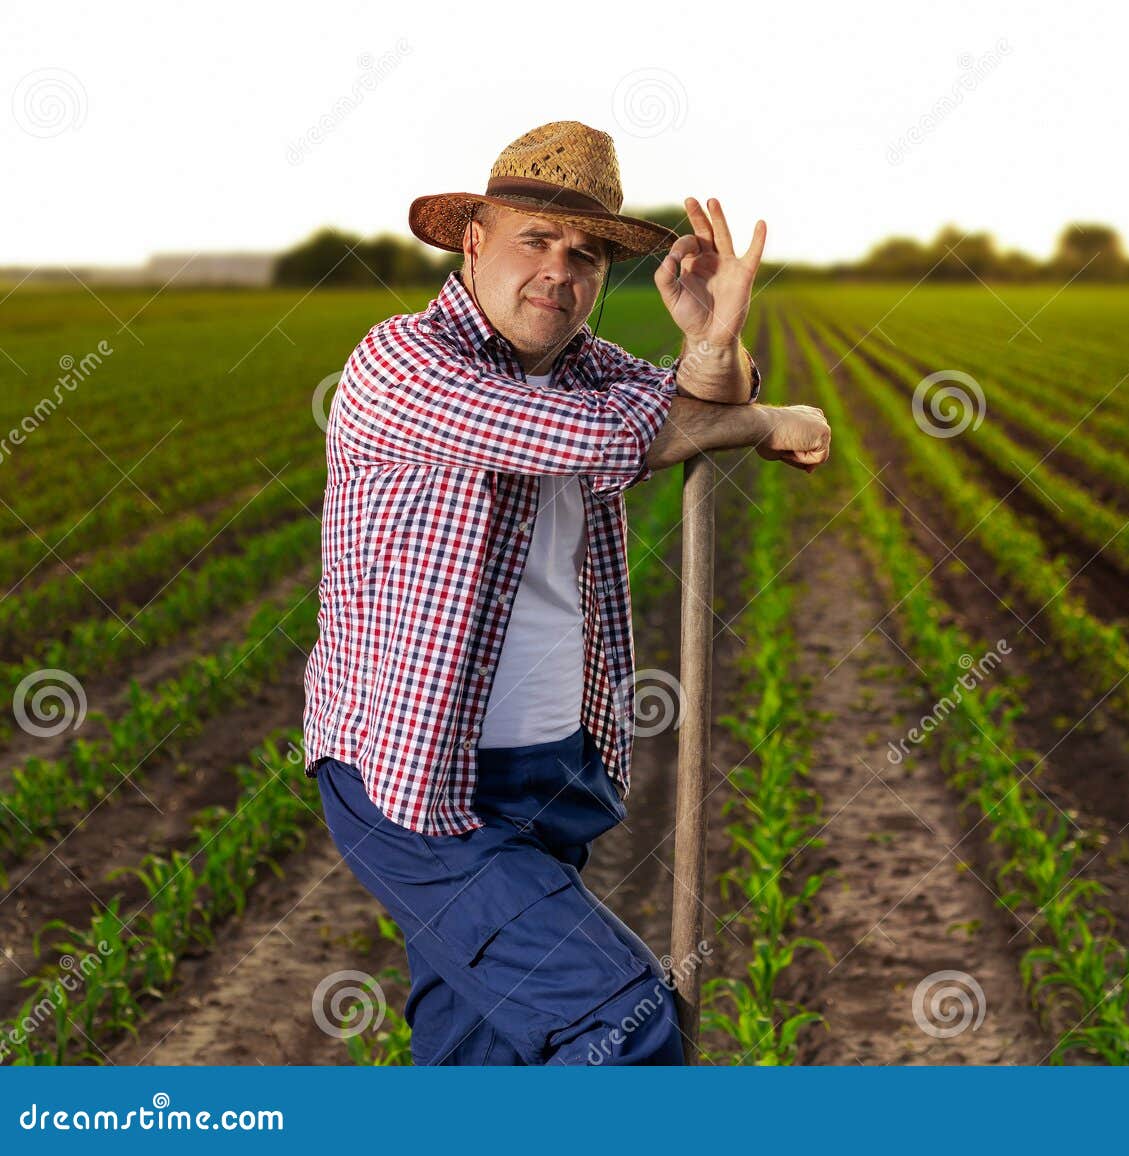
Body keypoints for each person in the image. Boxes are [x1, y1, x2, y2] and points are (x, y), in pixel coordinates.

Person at [303, 120, 830, 1064]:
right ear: (473, 240)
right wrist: (762, 416)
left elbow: (681, 404)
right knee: (624, 1023)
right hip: (418, 784)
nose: (560, 269)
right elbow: (602, 436)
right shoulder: (399, 364)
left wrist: (714, 342)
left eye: (584, 252)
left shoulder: (586, 368)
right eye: (534, 240)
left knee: (481, 1053)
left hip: (550, 773)